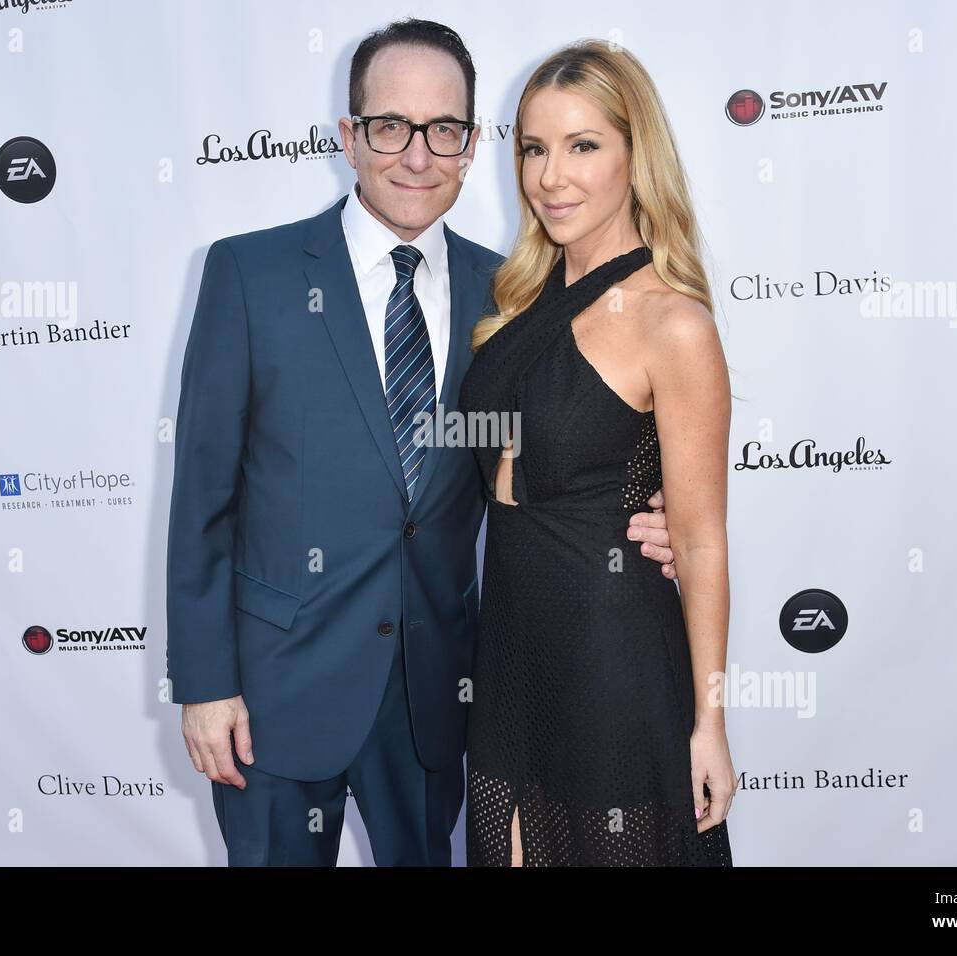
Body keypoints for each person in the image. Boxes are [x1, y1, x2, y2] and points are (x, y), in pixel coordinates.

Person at [166, 19, 680, 867]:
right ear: (349, 136)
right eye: (389, 126)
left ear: (473, 144)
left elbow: (557, 448)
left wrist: (647, 511)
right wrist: (205, 684)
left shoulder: (515, 292)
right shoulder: (249, 277)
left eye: (443, 130)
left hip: (439, 694)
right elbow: (202, 501)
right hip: (273, 694)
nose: (416, 155)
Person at [458, 39, 737, 866]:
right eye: (535, 149)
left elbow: (699, 539)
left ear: (633, 154)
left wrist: (710, 722)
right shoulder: (512, 306)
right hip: (507, 651)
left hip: (613, 658)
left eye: (584, 146)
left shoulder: (672, 323)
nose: (552, 177)